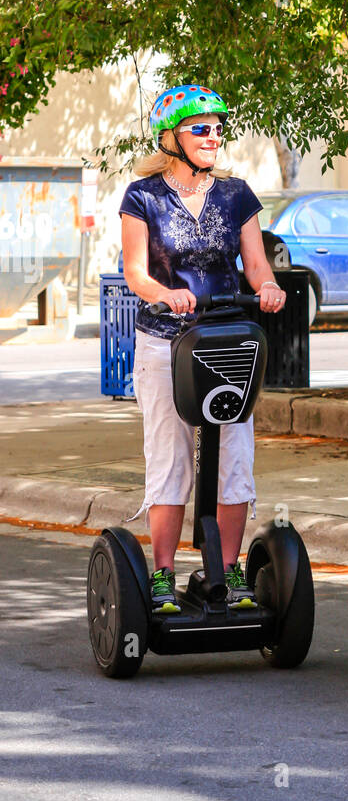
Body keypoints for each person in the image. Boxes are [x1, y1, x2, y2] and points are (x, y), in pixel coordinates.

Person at [120, 84, 286, 613]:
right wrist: (166, 294)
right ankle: (164, 575)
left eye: (218, 128)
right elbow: (135, 273)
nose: (212, 137)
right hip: (164, 342)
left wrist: (267, 286)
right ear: (172, 137)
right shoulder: (142, 196)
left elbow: (255, 262)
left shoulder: (237, 194)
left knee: (235, 456)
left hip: (226, 339)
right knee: (169, 458)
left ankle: (231, 571)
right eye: (201, 128)